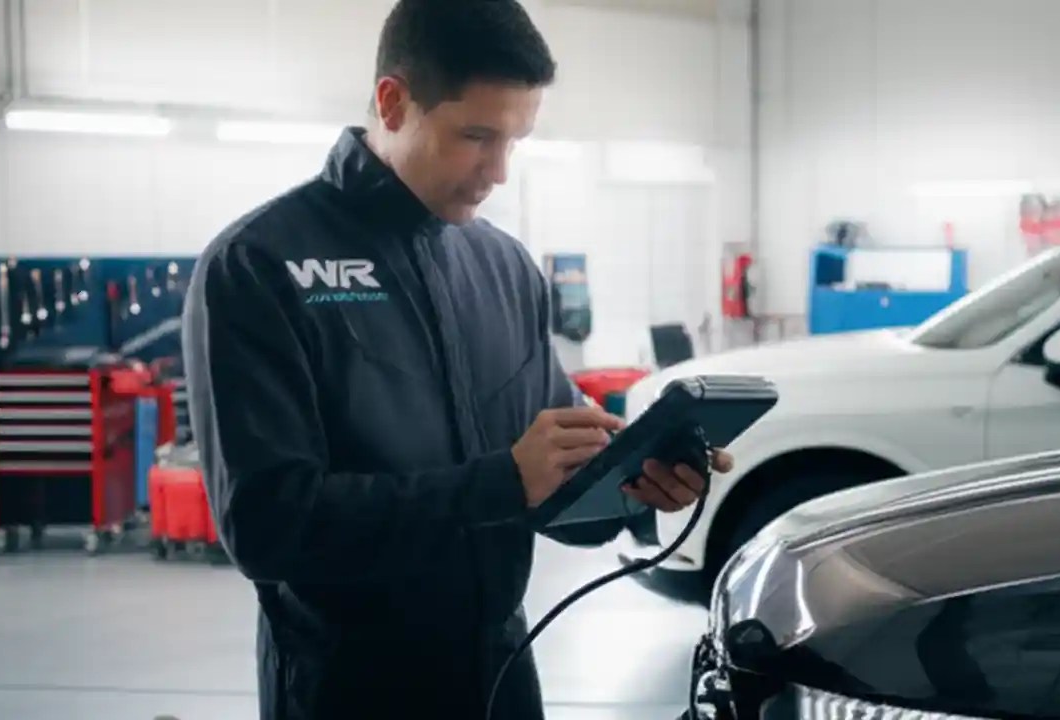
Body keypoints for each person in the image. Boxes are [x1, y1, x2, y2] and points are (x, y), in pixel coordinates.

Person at [181, 1, 733, 718]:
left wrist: (633, 482)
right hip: (348, 686)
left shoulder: (503, 268)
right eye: (475, 136)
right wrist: (500, 483)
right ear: (392, 101)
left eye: (515, 140)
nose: (498, 171)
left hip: (502, 676)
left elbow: (554, 489)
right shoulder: (260, 265)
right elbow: (266, 526)